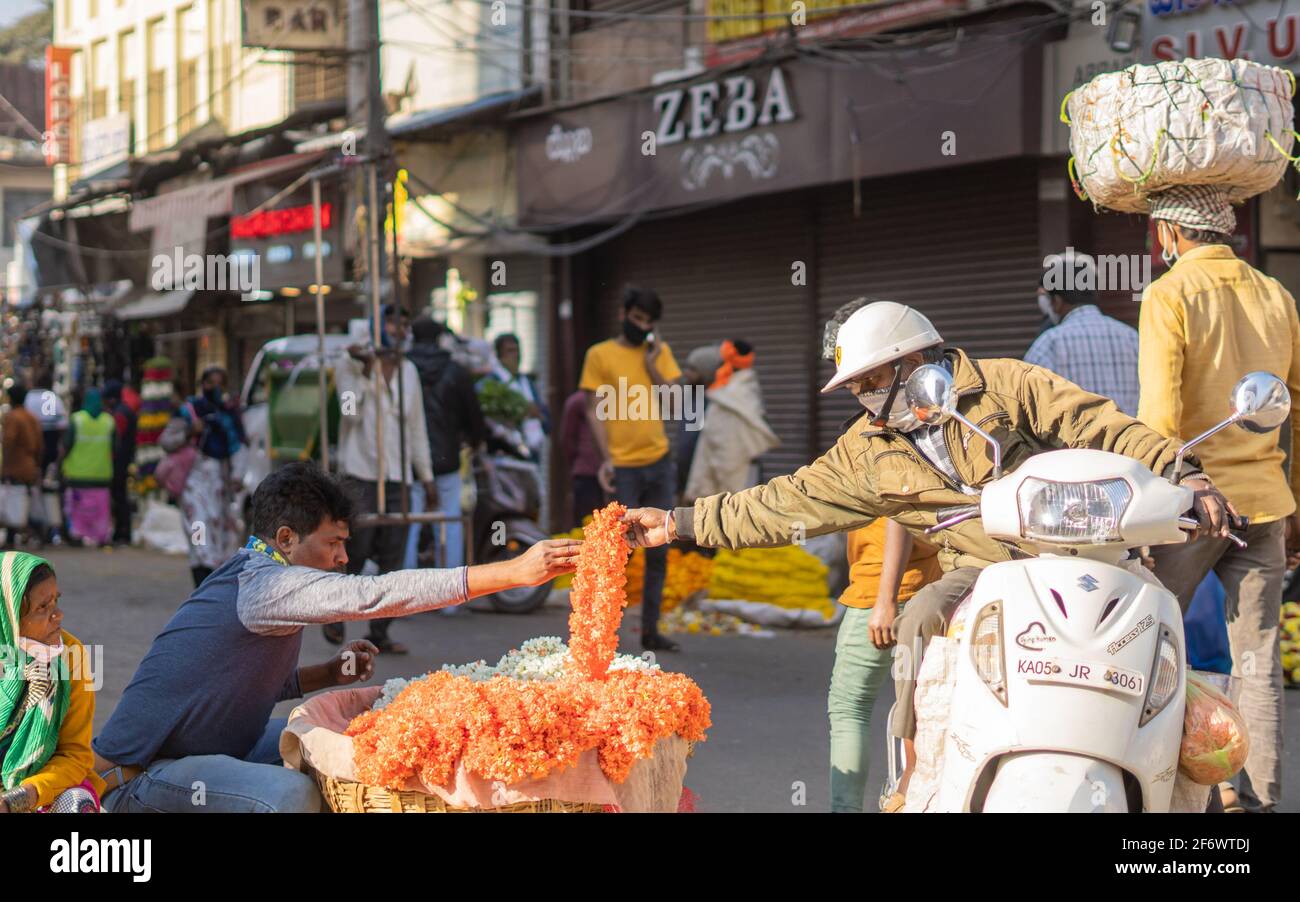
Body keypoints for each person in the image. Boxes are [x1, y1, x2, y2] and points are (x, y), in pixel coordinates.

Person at [620, 300, 1236, 792]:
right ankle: (922, 775)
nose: (863, 400)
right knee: (917, 621)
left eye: (868, 382)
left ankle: (1185, 796)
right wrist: (677, 523)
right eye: (855, 388)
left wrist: (1185, 473)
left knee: (1162, 641)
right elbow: (783, 503)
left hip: (1086, 558)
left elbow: (1098, 423)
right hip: (978, 571)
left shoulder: (1004, 384)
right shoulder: (866, 450)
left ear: (913, 363)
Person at [91, 462, 581, 813]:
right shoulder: (264, 584)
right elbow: (375, 595)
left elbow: (238, 689)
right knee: (293, 796)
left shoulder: (263, 580)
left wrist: (327, 674)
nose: (343, 558)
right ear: (286, 540)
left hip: (217, 744)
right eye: (334, 544)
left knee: (338, 744)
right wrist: (512, 571)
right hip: (139, 778)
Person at [1138, 184, 1300, 814]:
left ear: (1169, 235)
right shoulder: (1277, 295)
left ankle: (1171, 796)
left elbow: (1158, 418)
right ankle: (1256, 800)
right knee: (1257, 660)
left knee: (1150, 642)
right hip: (1266, 502)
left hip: (1191, 506)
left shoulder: (1169, 293)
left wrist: (1154, 504)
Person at [814, 299, 942, 814]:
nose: (852, 386)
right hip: (926, 589)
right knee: (920, 710)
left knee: (850, 709)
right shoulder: (924, 416)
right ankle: (912, 801)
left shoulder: (881, 427)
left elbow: (898, 514)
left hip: (879, 596)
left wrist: (886, 600)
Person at [324, 307, 435, 654]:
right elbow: (348, 414)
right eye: (392, 323)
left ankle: (380, 631)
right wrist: (365, 375)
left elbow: (416, 427)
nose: (399, 330)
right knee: (355, 549)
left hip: (398, 475)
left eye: (405, 324)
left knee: (393, 556)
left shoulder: (409, 371)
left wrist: (426, 476)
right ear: (377, 326)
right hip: (360, 473)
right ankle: (334, 611)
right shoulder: (349, 365)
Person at [580, 286, 683, 653]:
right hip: (623, 467)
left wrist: (654, 363)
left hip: (659, 461)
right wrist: (606, 458)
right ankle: (607, 633)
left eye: (648, 322)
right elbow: (593, 409)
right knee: (618, 549)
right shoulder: (599, 354)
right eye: (637, 319)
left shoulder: (659, 353)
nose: (642, 326)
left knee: (660, 546)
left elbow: (675, 401)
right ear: (624, 314)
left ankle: (651, 631)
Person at [0, 552, 105, 813]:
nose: (58, 615)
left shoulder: (71, 655)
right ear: (9, 618)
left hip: (41, 791)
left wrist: (19, 797)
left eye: (56, 602)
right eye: (42, 608)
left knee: (75, 804)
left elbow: (74, 755)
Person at [406, 315, 487, 571]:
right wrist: (476, 441)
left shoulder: (403, 368)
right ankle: (450, 601)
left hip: (410, 462)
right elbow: (473, 413)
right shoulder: (455, 371)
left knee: (409, 526)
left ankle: (402, 595)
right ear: (439, 338)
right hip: (447, 458)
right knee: (450, 526)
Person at [1024, 250, 1141, 416]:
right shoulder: (1131, 337)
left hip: (1077, 442)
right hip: (1132, 440)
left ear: (1057, 301)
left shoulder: (1049, 343)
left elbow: (1030, 404)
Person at [177, 367, 248, 587]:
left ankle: (212, 584)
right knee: (198, 529)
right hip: (194, 483)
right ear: (202, 384)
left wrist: (237, 475)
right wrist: (190, 431)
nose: (214, 389)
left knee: (222, 536)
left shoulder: (230, 414)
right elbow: (167, 441)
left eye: (219, 384)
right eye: (210, 383)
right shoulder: (189, 411)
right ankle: (200, 579)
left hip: (221, 487)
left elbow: (240, 445)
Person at [683, 339, 778, 502]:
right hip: (740, 487)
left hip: (728, 495)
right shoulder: (740, 393)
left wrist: (720, 502)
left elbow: (725, 459)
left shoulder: (727, 401)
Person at [58, 388, 115, 548]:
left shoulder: (77, 420)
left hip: (77, 476)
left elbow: (66, 446)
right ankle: (100, 536)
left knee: (78, 510)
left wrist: (59, 465)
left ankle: (77, 535)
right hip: (101, 476)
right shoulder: (109, 421)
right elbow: (116, 448)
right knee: (100, 510)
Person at [481, 333, 549, 462]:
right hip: (503, 454)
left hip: (530, 450)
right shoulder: (490, 384)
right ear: (499, 355)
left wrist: (538, 414)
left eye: (517, 350)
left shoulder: (526, 382)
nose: (515, 355)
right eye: (510, 351)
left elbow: (545, 417)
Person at [2, 384, 43, 548]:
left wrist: (5, 464)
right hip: (30, 464)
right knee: (28, 501)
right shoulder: (32, 417)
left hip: (15, 465)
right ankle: (38, 534)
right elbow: (40, 445)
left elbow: (8, 442)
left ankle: (12, 537)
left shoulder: (12, 417)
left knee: (14, 500)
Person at [561, 389, 606, 525]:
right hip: (587, 472)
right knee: (587, 524)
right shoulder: (578, 401)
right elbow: (568, 439)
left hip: (619, 472)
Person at [101, 380, 138, 546]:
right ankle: (122, 532)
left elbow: (117, 438)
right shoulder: (125, 411)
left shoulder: (120, 414)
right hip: (124, 459)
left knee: (119, 497)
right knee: (121, 496)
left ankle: (122, 532)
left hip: (119, 462)